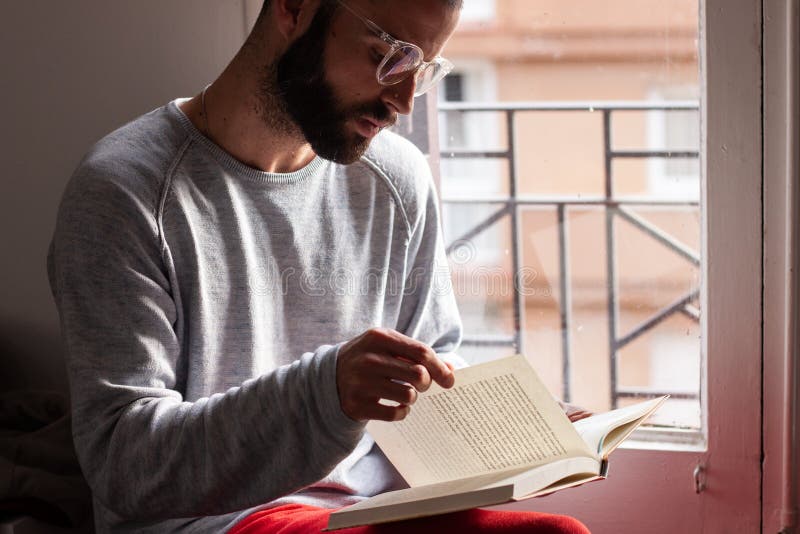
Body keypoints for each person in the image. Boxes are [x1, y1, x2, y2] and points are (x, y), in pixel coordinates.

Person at [48, 0, 591, 532]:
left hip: (371, 508)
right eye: (389, 55)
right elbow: (124, 464)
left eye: (422, 69)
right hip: (214, 521)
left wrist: (515, 424)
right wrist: (326, 393)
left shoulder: (397, 180)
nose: (403, 101)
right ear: (294, 8)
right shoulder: (125, 192)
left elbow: (429, 365)